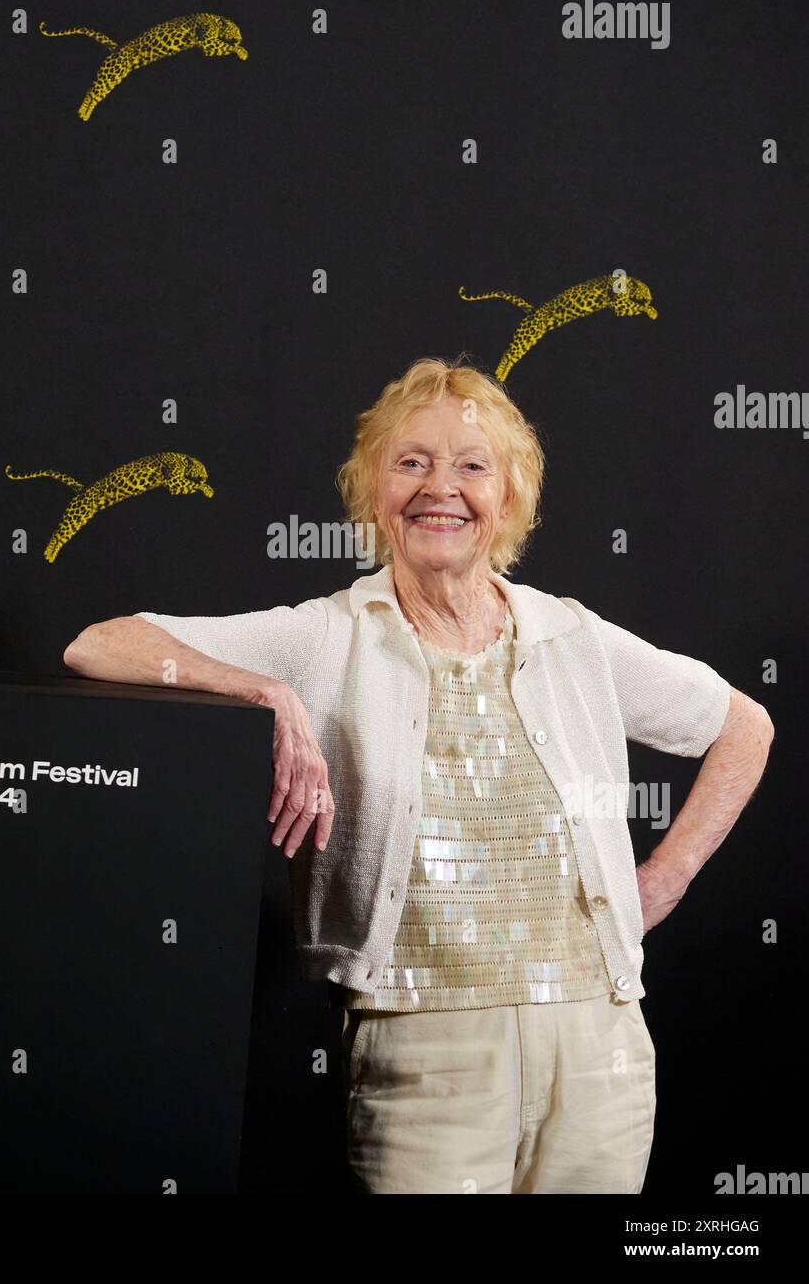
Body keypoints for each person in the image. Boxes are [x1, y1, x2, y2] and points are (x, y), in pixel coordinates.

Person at [63, 356, 774, 1194]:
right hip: (420, 1048)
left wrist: (664, 879)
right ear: (373, 493)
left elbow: (743, 725)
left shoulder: (569, 636)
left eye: (472, 465)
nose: (441, 487)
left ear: (507, 498)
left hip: (599, 1043)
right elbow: (98, 643)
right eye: (411, 462)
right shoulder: (329, 636)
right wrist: (262, 690)